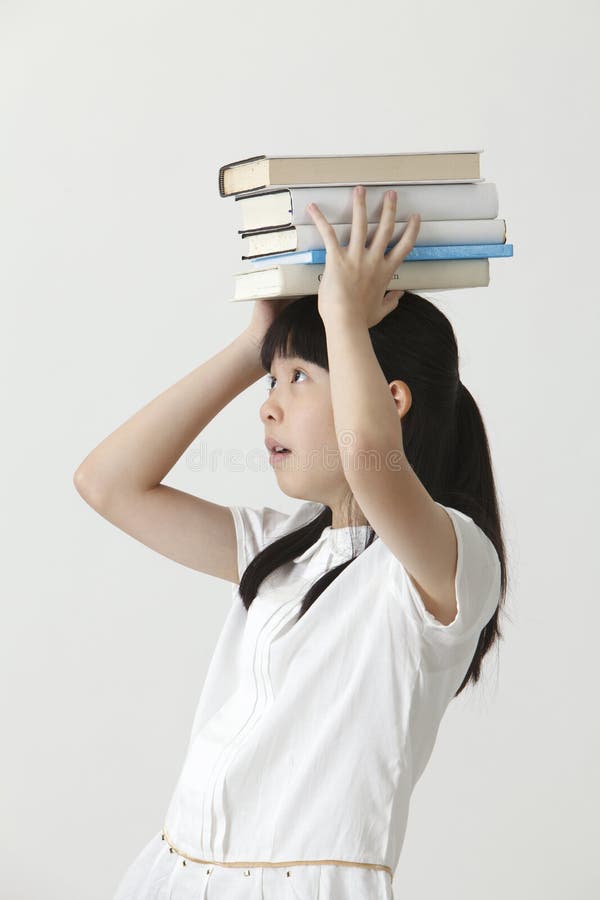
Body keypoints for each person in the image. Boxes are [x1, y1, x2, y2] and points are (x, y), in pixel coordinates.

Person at [73, 186, 508, 899]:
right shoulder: (281, 549)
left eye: (299, 377)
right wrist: (257, 346)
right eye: (271, 381)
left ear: (390, 397)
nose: (267, 404)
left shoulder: (445, 565)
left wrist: (341, 312)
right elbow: (106, 483)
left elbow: (371, 457)